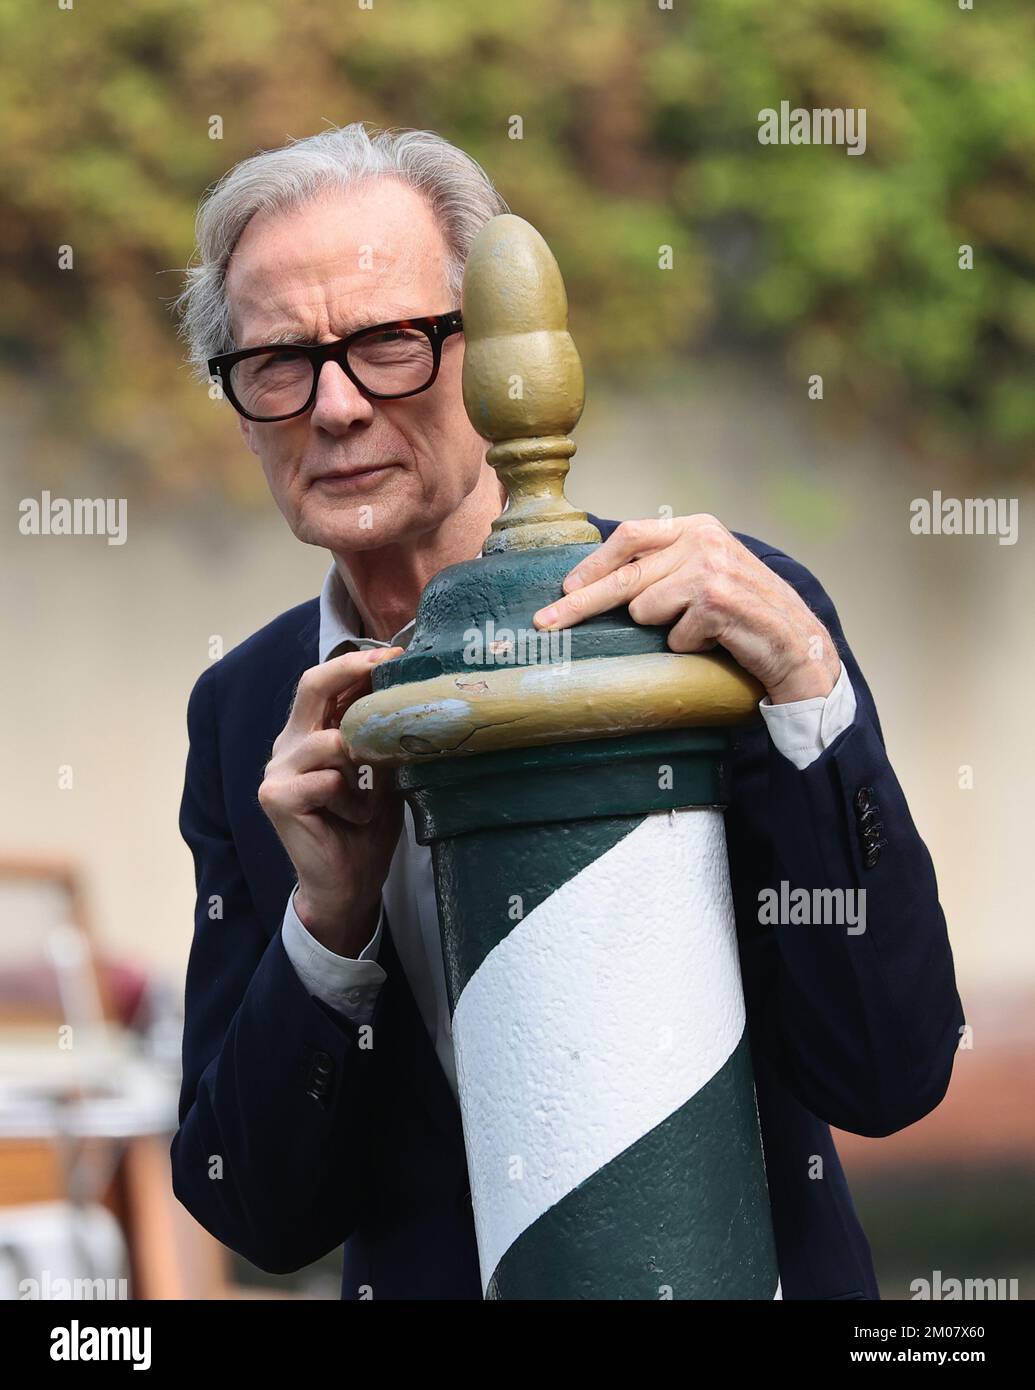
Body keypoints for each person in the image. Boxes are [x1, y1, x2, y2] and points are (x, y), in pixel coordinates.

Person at [170, 122, 964, 1299]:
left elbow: (890, 1072)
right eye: (281, 360)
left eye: (390, 341)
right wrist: (326, 924)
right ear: (239, 404)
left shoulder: (713, 619)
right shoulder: (247, 712)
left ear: (493, 350)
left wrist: (811, 694)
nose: (333, 406)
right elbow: (258, 1210)